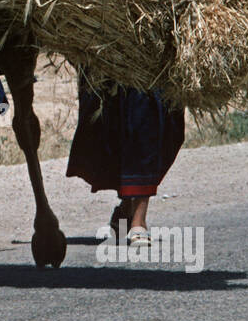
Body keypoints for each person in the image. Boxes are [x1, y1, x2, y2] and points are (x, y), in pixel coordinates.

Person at [66, 73, 185, 247]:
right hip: (112, 62)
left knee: (152, 125)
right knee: (115, 126)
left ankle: (135, 213)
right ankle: (134, 212)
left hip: (154, 64)